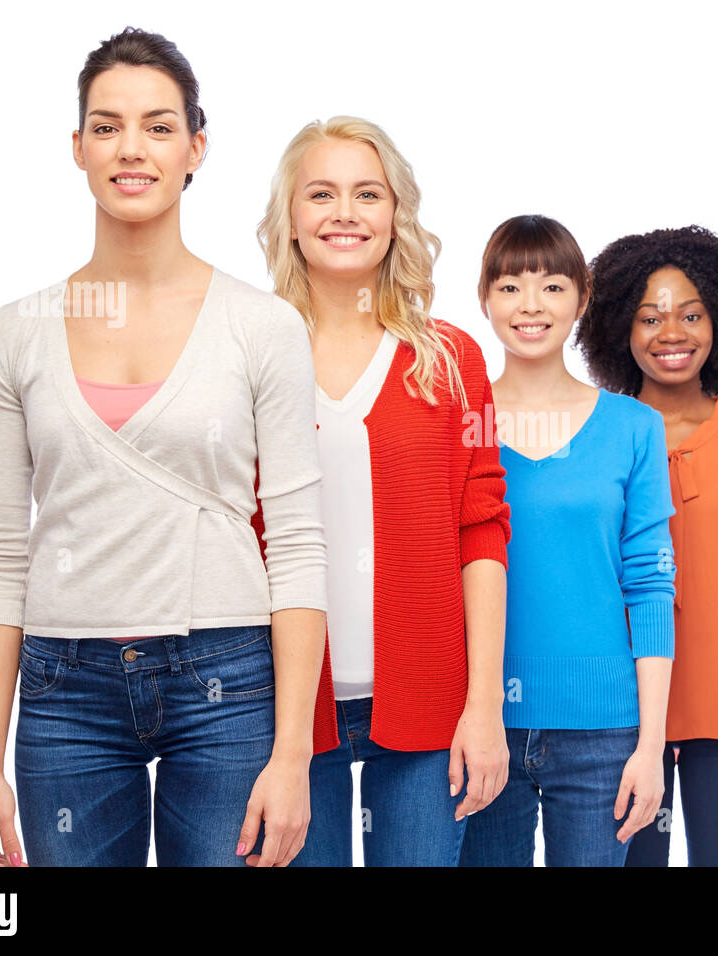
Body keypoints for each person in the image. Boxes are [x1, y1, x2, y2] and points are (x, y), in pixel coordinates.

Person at [0, 27, 328, 868]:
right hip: (62, 688)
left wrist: (293, 752)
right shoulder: (9, 336)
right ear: (80, 148)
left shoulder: (263, 326)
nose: (133, 149)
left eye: (160, 127)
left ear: (197, 147)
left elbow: (300, 543)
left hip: (228, 677)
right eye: (108, 126)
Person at [255, 117, 511, 866]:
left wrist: (485, 705)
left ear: (396, 214)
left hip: (432, 705)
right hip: (287, 708)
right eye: (322, 194)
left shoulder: (452, 359)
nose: (345, 213)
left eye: (368, 194)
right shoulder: (252, 353)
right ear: (290, 219)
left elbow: (483, 531)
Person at [457, 214, 675, 866]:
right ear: (485, 300)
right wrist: (476, 710)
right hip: (483, 720)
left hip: (606, 732)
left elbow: (651, 585)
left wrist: (651, 744)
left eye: (552, 287)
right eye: (510, 287)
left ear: (581, 299)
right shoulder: (461, 426)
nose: (531, 306)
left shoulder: (635, 427)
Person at [577, 225, 718, 867]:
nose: (671, 333)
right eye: (649, 317)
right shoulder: (599, 436)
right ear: (620, 328)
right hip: (622, 713)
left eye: (691, 314)